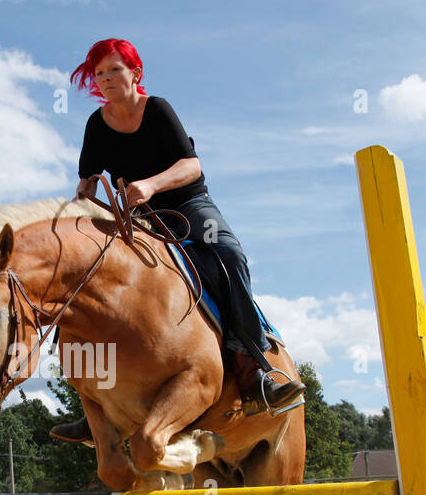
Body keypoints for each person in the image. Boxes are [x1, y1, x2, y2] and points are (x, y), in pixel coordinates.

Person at [52, 38, 304, 443]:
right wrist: (79, 207)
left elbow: (191, 165)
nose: (106, 78)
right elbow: (86, 180)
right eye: (100, 73)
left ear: (134, 73)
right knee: (89, 280)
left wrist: (150, 186)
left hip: (188, 205)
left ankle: (255, 369)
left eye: (114, 70)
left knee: (228, 255)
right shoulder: (96, 125)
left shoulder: (157, 109)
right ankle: (96, 399)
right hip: (138, 217)